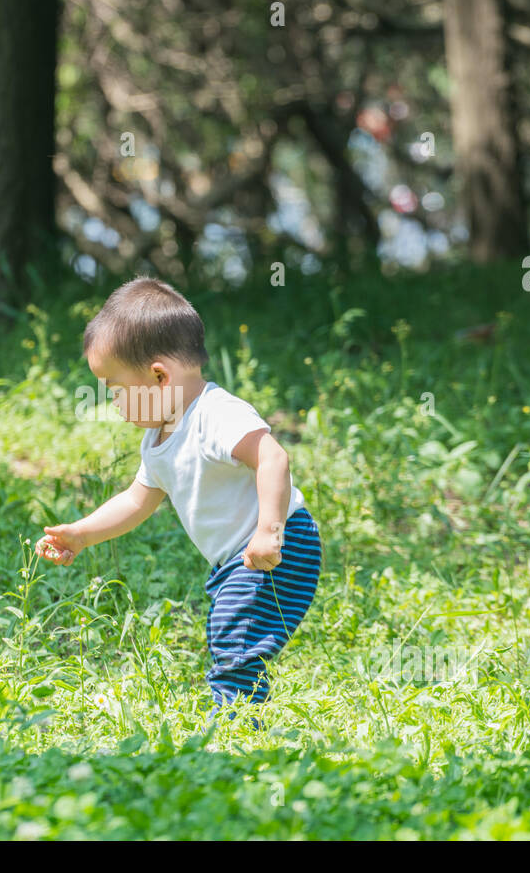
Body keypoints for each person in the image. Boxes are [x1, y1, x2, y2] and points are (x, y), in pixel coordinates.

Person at [35, 276, 322, 730]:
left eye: (115, 389)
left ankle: (234, 722)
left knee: (234, 632)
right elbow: (136, 500)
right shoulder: (157, 439)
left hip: (281, 544)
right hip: (236, 558)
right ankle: (239, 712)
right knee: (229, 631)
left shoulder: (215, 413)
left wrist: (269, 530)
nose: (113, 403)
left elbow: (273, 457)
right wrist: (82, 533)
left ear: (158, 376)